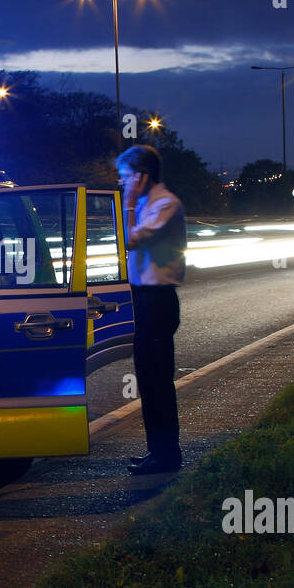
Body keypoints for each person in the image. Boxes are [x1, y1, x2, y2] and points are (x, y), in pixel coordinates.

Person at [117, 145, 187, 475]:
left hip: (158, 300)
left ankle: (167, 454)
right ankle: (157, 450)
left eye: (126, 176)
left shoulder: (165, 204)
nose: (122, 183)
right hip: (144, 298)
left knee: (157, 379)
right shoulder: (149, 204)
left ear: (142, 176)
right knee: (148, 379)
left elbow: (131, 240)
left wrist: (128, 204)